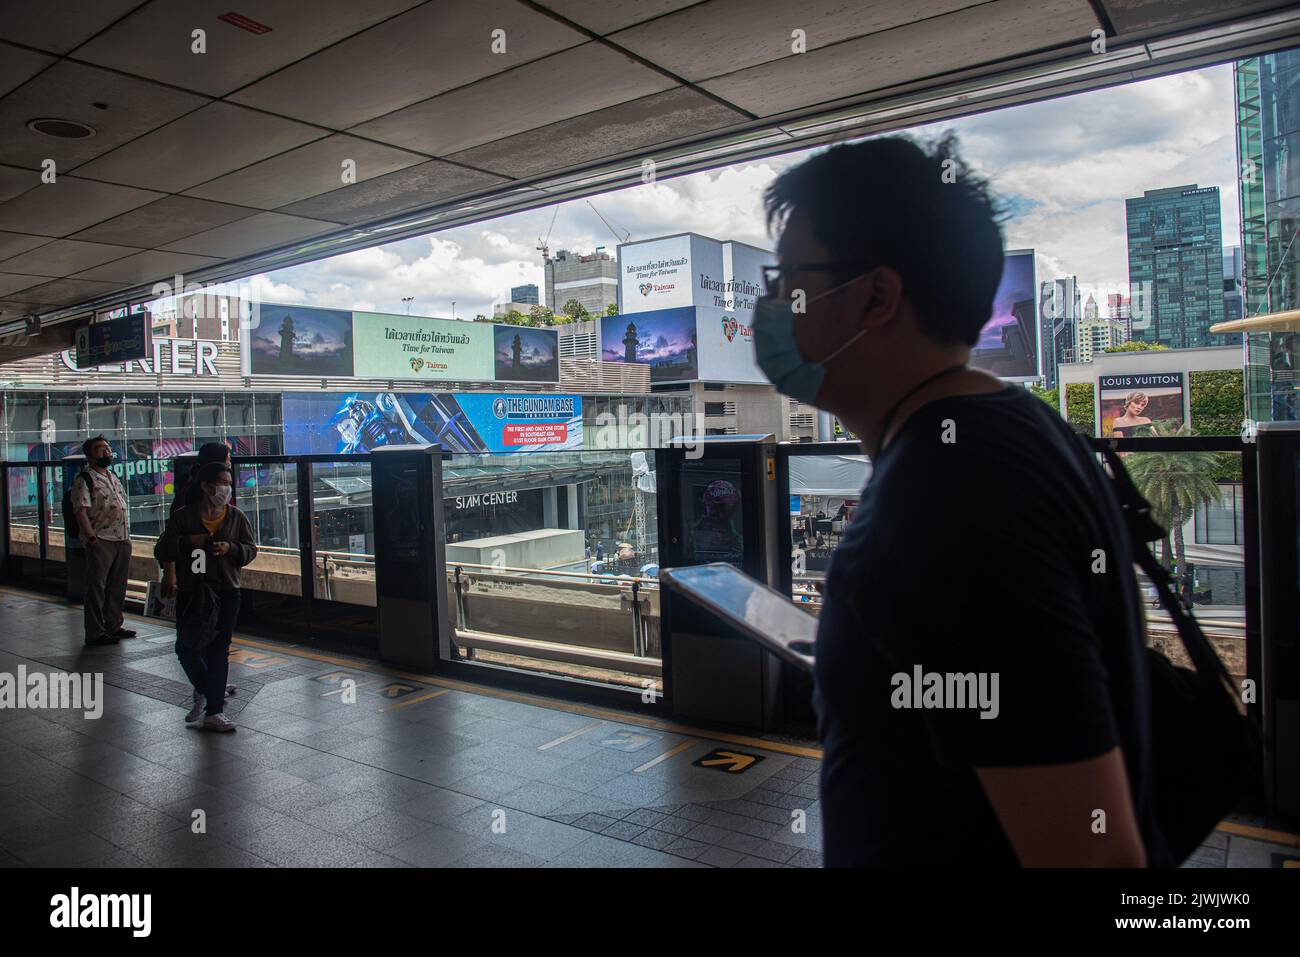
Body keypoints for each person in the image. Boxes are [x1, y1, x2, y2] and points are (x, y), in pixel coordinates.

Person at [754, 132, 1166, 867]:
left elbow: (1096, 857)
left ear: (875, 295)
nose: (770, 307)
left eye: (789, 280)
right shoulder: (1012, 427)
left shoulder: (946, 498)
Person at [154, 462, 257, 732]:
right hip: (194, 590)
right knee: (186, 648)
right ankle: (206, 689)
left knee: (219, 651)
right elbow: (162, 549)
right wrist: (191, 542)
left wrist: (231, 548)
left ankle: (214, 711)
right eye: (222, 483)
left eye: (229, 483)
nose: (226, 489)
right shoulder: (183, 518)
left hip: (226, 590)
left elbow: (250, 549)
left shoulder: (236, 517)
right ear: (205, 486)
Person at [72, 436, 136, 646]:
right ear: (89, 455)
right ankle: (95, 632)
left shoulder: (113, 476)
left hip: (122, 538)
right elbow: (80, 511)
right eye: (100, 449)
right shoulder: (85, 479)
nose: (106, 452)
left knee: (118, 586)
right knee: (97, 588)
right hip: (101, 539)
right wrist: (92, 539)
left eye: (108, 448)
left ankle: (113, 625)